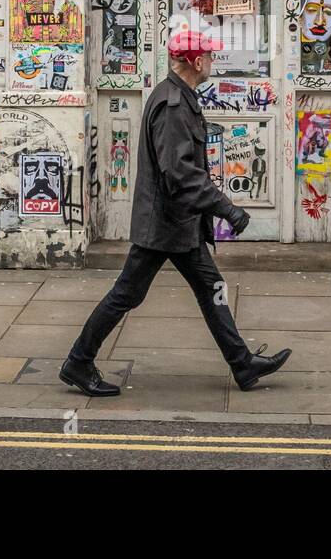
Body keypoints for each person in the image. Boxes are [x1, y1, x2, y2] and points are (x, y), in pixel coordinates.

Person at [60, 30, 291, 397]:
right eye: (210, 58)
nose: (212, 63)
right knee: (126, 294)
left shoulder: (179, 97)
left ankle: (243, 364)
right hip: (164, 226)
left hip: (178, 225)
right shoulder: (173, 106)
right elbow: (180, 174)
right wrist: (228, 210)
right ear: (197, 62)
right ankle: (78, 361)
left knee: (211, 287)